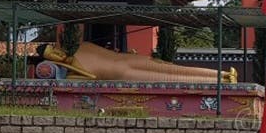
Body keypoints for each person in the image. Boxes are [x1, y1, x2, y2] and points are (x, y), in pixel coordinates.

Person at [38, 42, 237, 84]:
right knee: (172, 78)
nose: (57, 54)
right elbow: (92, 78)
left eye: (55, 49)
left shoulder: (83, 47)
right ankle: (222, 82)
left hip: (129, 60)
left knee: (174, 68)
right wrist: (69, 67)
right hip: (124, 75)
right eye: (52, 55)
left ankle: (223, 74)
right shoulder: (73, 72)